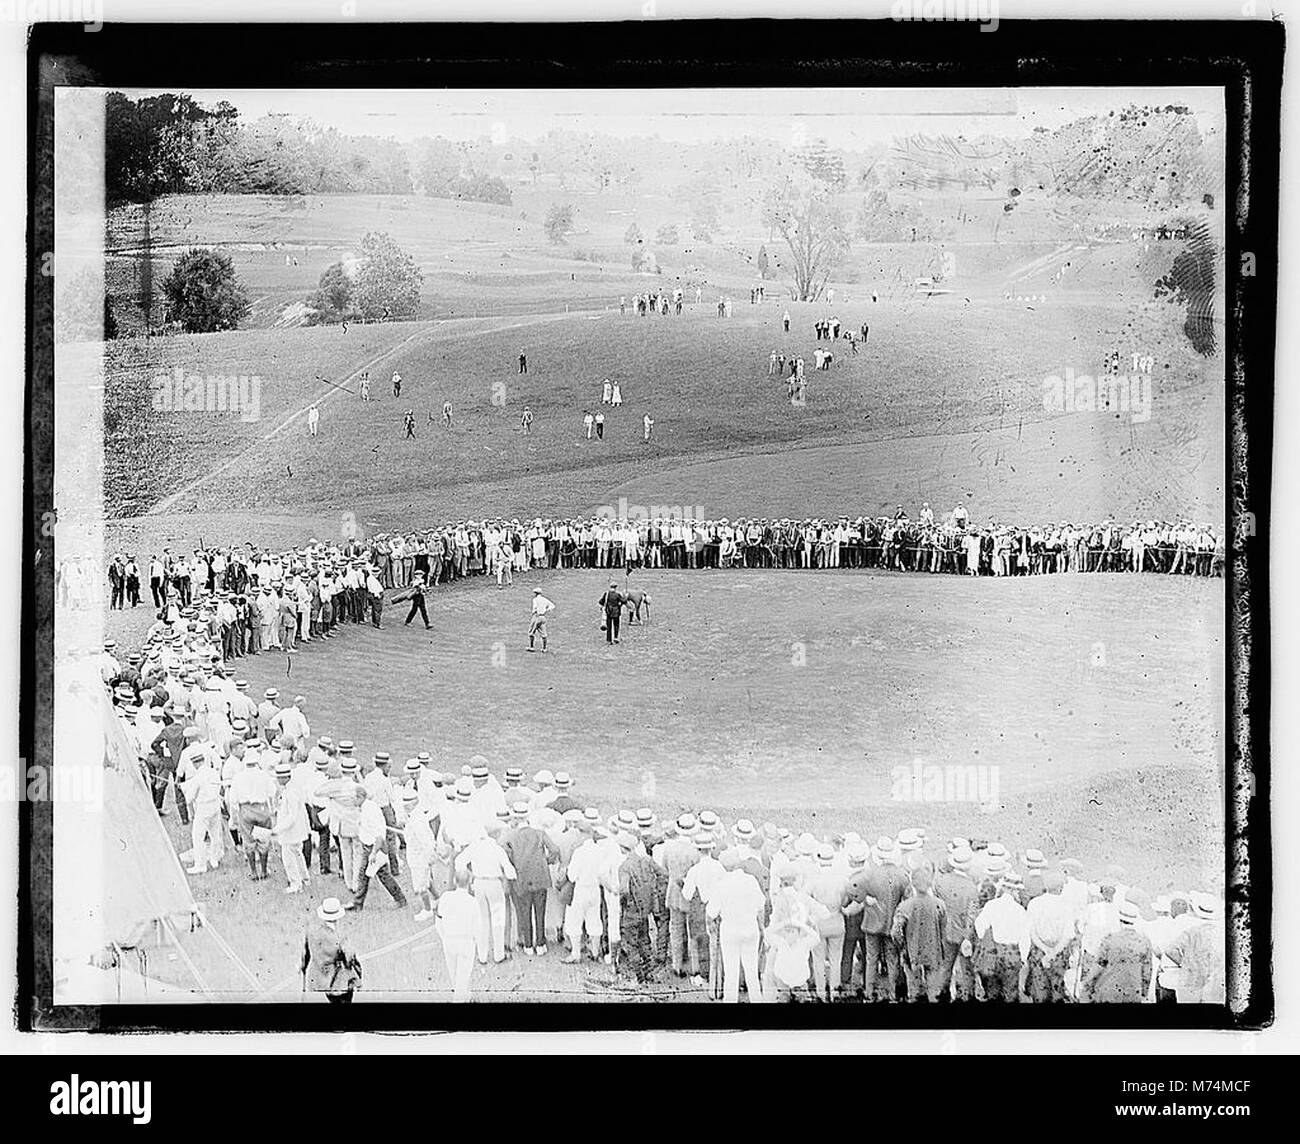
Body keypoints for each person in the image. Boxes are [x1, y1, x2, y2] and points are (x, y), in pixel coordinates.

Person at [501, 801, 559, 955]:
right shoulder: (539, 833)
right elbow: (554, 849)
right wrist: (546, 861)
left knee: (524, 911)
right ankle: (540, 943)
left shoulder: (510, 837)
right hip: (540, 876)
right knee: (540, 911)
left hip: (521, 877)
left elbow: (507, 858)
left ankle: (528, 944)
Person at [707, 864, 767, 1003]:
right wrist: (761, 926)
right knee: (752, 971)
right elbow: (760, 906)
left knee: (731, 971)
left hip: (730, 929)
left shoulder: (722, 884)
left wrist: (711, 925)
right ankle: (756, 1000)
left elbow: (711, 912)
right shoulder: (751, 880)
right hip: (750, 927)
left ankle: (730, 1000)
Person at [301, 898, 362, 1004]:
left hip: (323, 979)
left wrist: (303, 967)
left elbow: (305, 954)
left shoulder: (312, 933)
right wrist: (358, 975)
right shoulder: (340, 937)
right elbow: (350, 957)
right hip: (340, 981)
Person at [436, 869, 480, 1000]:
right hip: (466, 941)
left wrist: (444, 937)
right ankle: (461, 997)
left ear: (455, 881)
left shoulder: (445, 897)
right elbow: (477, 928)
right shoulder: (473, 902)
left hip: (449, 940)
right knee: (463, 976)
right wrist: (474, 941)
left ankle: (464, 996)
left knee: (455, 975)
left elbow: (439, 921)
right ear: (470, 882)